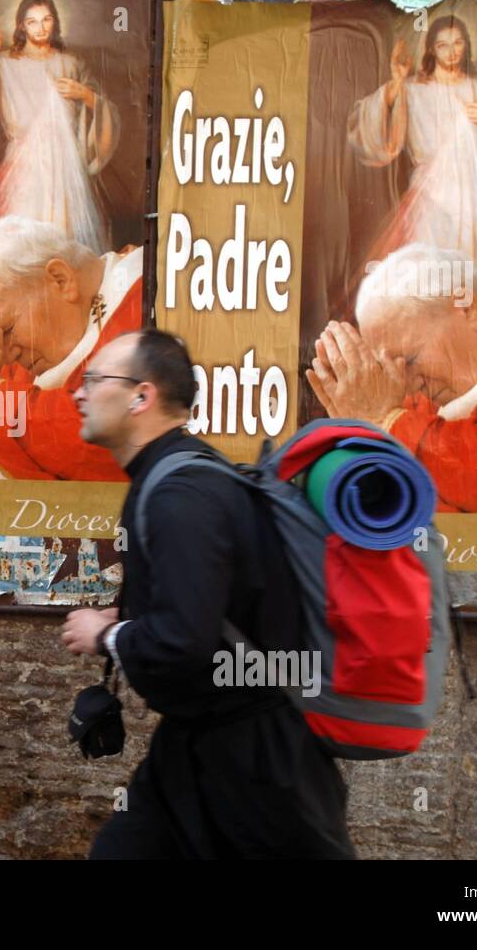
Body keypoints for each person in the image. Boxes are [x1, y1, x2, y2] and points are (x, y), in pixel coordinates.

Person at [61, 329, 356, 859]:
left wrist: (109, 634)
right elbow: (208, 604)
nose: (77, 393)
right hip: (197, 749)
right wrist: (135, 616)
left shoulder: (181, 492)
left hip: (260, 764)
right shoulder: (177, 475)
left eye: (93, 379)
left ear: (141, 396)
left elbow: (184, 642)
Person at [306, 243, 477, 514]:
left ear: (469, 308)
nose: (410, 385)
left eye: (411, 360)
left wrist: (388, 421)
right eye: (395, 367)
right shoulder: (441, 384)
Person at [0, 216, 142, 480]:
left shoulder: (149, 303)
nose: (5, 355)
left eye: (7, 330)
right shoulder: (14, 370)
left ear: (60, 280)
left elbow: (117, 444)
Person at [347, 16, 477, 281]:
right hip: (429, 193)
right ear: (431, 49)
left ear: (466, 45)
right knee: (428, 269)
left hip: (472, 195)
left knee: (470, 269)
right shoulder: (413, 90)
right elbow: (369, 122)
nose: (452, 52)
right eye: (443, 45)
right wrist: (397, 80)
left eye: (458, 43)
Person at [0, 0, 118, 255]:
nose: (41, 27)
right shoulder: (4, 63)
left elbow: (106, 111)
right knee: (23, 246)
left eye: (46, 20)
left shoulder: (69, 64)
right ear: (22, 26)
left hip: (65, 165)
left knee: (67, 244)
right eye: (32, 21)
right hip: (23, 167)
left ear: (54, 22)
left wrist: (86, 95)